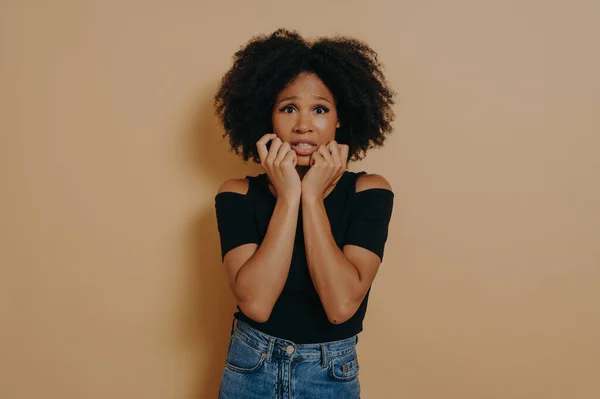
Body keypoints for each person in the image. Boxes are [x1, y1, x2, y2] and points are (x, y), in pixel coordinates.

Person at [213, 29, 395, 398]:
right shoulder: (237, 194)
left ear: (341, 118)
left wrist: (312, 197)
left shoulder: (370, 191)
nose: (303, 125)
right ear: (268, 116)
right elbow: (257, 304)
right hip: (250, 366)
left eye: (320, 109)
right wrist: (289, 197)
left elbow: (341, 306)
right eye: (288, 108)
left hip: (329, 373)